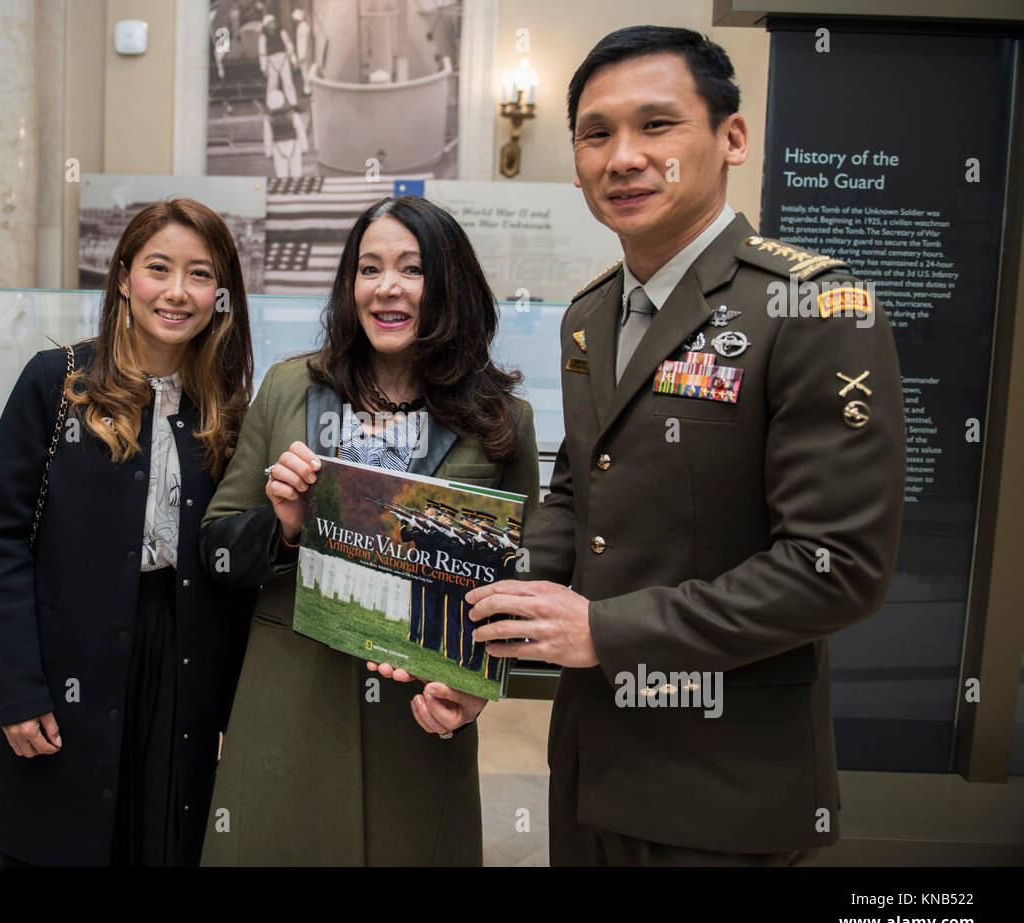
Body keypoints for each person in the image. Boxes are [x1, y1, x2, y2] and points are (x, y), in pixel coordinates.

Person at [465, 25, 905, 866]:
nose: (623, 156)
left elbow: (836, 566)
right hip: (590, 764)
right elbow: (576, 496)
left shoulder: (818, 309)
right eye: (596, 134)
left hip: (724, 783)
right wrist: (475, 621)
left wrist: (604, 630)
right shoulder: (590, 315)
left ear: (731, 137)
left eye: (657, 125)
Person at [199, 195, 540, 865]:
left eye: (411, 269)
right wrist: (286, 527)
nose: (387, 286)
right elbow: (214, 544)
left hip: (418, 723)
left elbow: (521, 576)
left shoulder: (503, 419)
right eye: (369, 267)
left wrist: (478, 682)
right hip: (289, 710)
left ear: (449, 286)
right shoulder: (289, 387)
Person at [0, 199, 256, 866]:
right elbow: (1, 537)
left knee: (160, 835)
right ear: (124, 277)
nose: (178, 291)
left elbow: (232, 555)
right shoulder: (57, 382)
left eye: (200, 274)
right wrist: (19, 690)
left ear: (220, 295)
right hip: (68, 647)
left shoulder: (225, 404)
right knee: (63, 836)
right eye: (159, 268)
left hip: (180, 646)